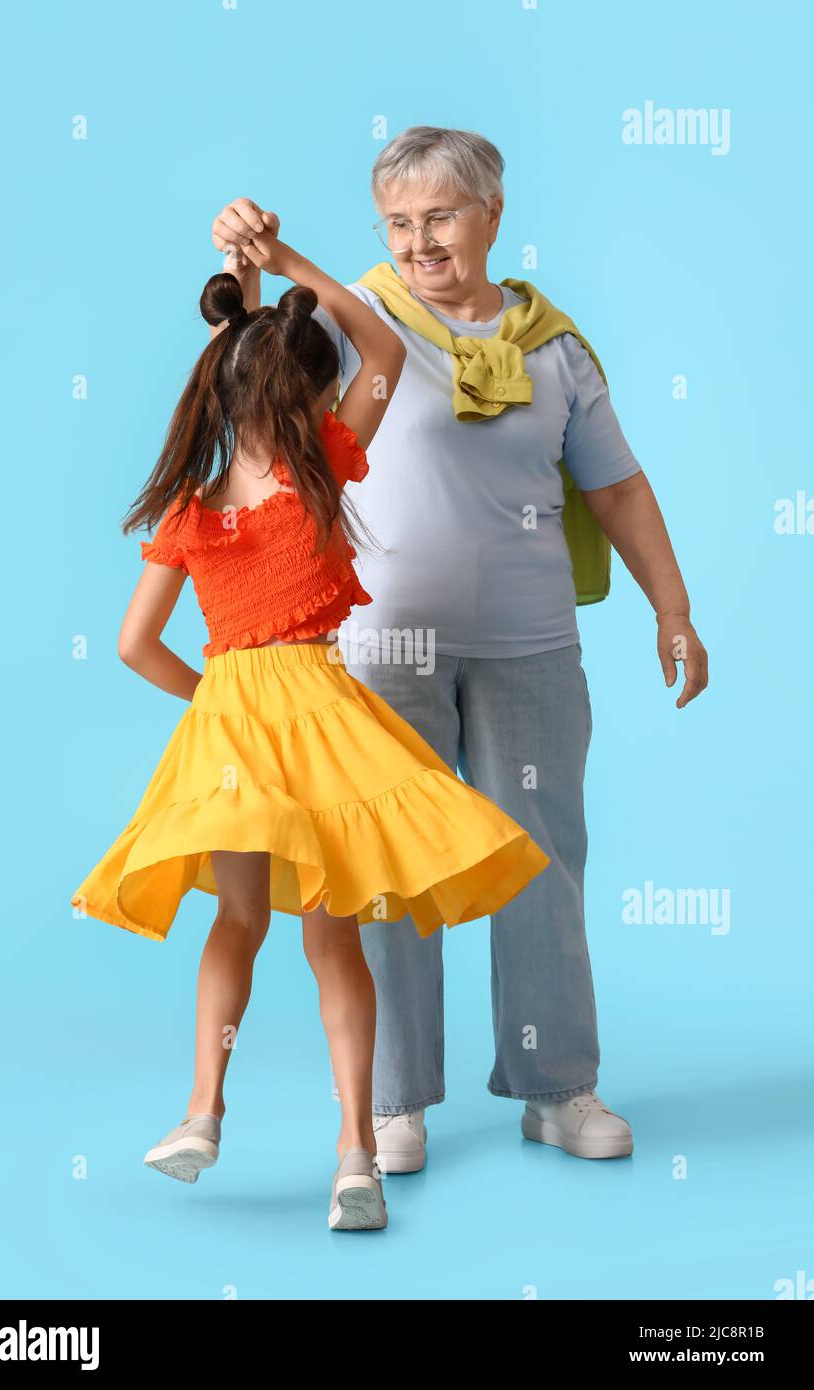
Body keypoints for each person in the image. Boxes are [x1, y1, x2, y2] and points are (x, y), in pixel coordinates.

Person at [212, 125, 709, 1174]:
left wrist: (671, 609)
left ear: (489, 215)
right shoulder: (356, 323)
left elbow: (615, 484)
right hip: (383, 645)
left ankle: (556, 1087)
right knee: (384, 870)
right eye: (398, 222)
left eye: (439, 216)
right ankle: (393, 1101)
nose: (418, 240)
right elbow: (255, 370)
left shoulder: (554, 347)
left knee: (539, 860)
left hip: (529, 643)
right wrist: (245, 265)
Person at [69, 233, 551, 1231]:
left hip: (234, 726)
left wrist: (215, 696)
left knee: (235, 923)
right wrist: (284, 262)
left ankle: (203, 1111)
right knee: (335, 946)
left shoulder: (194, 513)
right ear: (304, 400)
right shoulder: (324, 463)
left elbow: (132, 645)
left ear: (223, 393)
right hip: (324, 717)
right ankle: (356, 1158)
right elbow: (380, 349)